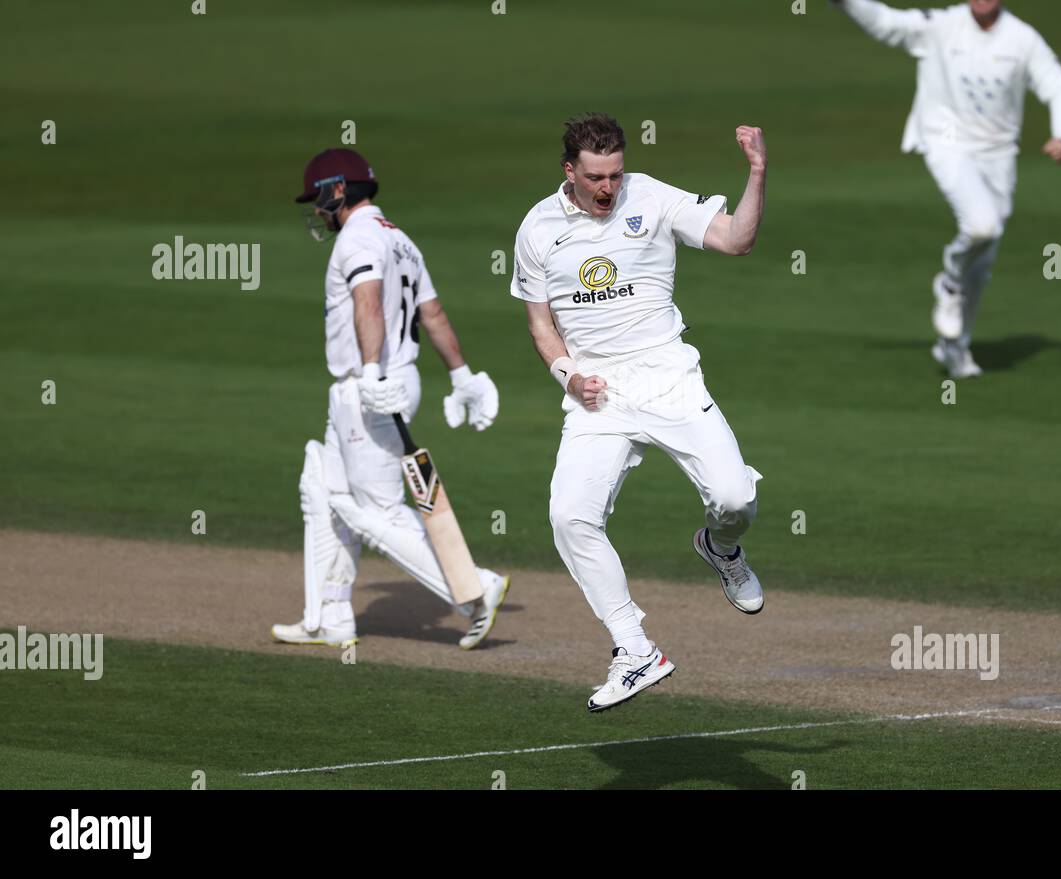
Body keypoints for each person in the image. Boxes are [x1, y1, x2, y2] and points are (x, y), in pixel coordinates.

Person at [510, 114, 768, 711]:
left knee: (734, 500)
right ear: (569, 171)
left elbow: (736, 239)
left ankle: (721, 548)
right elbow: (540, 324)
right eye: (595, 177)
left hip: (669, 376)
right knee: (570, 517)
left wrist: (755, 174)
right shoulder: (537, 227)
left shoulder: (650, 197)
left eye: (615, 175)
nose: (608, 189)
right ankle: (635, 649)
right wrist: (567, 375)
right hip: (598, 393)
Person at [273, 148, 509, 651]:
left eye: (318, 197)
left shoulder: (358, 238)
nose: (316, 209)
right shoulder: (399, 238)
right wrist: (463, 376)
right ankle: (329, 616)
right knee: (320, 485)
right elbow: (435, 314)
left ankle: (475, 589)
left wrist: (374, 372)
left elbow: (367, 302)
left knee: (377, 513)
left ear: (338, 190)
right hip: (382, 383)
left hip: (373, 386)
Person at [833, 0, 1061, 377]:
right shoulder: (941, 26)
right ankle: (948, 283)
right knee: (982, 226)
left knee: (982, 260)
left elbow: (1057, 84)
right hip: (946, 141)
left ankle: (954, 348)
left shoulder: (1022, 38)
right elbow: (885, 22)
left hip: (999, 154)